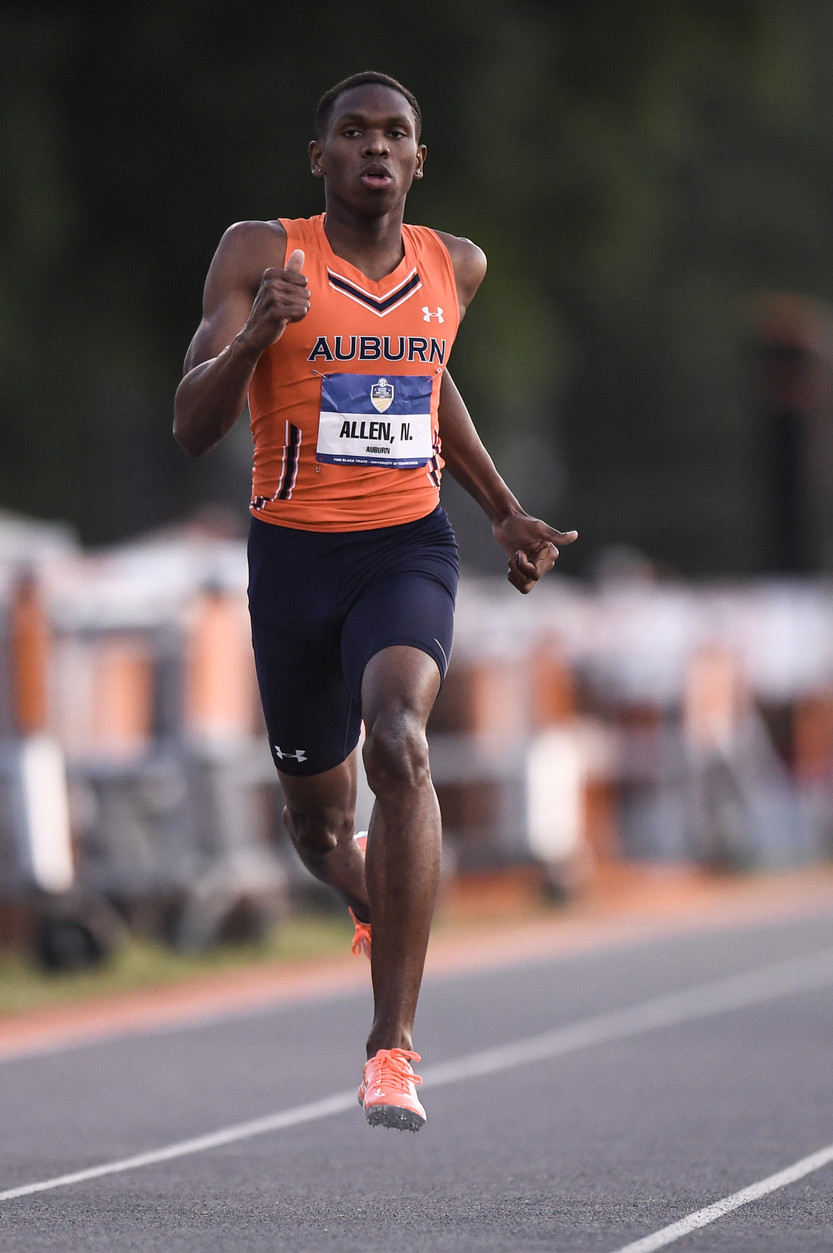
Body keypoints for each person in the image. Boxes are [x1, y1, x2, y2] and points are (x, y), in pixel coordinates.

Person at [172, 71, 575, 1131]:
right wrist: (254, 338)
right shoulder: (261, 254)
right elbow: (191, 425)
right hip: (294, 562)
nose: (376, 149)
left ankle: (391, 1047)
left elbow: (429, 379)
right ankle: (371, 893)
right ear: (321, 158)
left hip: (405, 549)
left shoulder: (457, 264)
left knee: (400, 741)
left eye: (396, 134)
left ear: (419, 160)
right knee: (317, 829)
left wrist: (503, 509)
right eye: (354, 132)